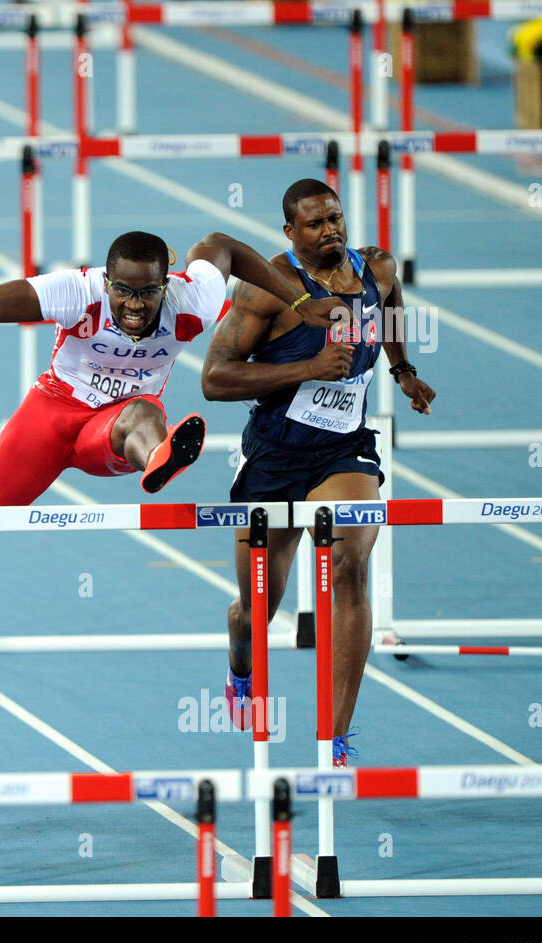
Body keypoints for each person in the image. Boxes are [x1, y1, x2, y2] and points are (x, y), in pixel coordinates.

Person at [0, 230, 343, 568]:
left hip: (116, 427)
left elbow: (220, 245)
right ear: (106, 282)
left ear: (166, 285)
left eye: (148, 292)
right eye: (123, 291)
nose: (135, 305)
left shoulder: (193, 300)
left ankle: (158, 455)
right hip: (50, 415)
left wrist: (300, 300)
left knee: (141, 411)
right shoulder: (77, 291)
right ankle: (155, 450)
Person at [200, 179, 437, 766]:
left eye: (335, 218)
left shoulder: (376, 268)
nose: (330, 229)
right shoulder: (266, 292)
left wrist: (403, 369)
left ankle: (334, 737)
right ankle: (240, 665)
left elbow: (391, 307)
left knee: (350, 565)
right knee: (256, 609)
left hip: (343, 452)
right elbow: (214, 379)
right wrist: (309, 367)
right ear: (290, 233)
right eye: (315, 223)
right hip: (275, 457)